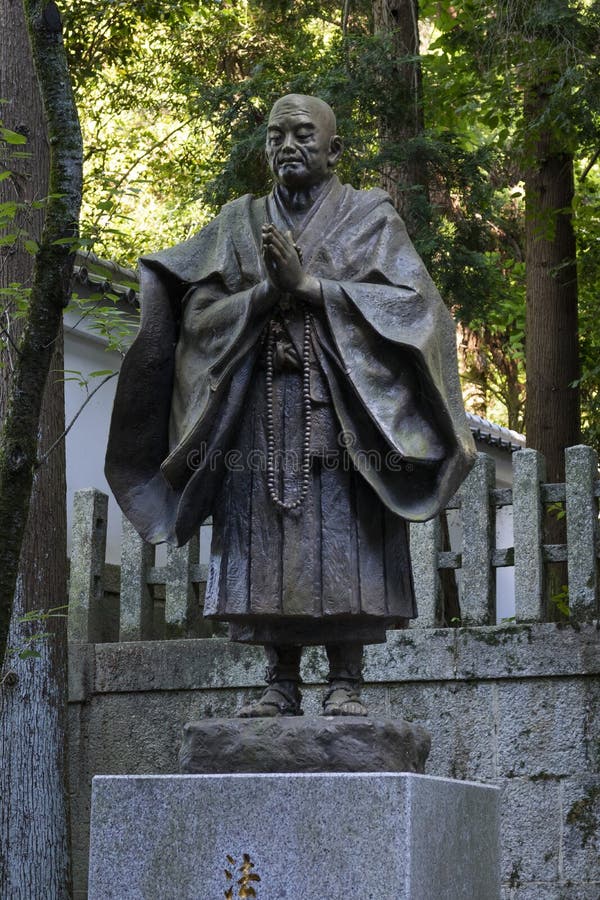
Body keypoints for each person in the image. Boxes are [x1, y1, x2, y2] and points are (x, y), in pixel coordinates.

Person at [106, 94, 475, 717]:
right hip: (256, 417)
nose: (288, 146)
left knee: (348, 541)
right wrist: (258, 300)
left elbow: (417, 312)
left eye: (304, 134)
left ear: (333, 150)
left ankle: (346, 680)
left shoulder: (370, 218)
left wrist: (310, 288)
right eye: (276, 135)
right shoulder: (237, 222)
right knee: (259, 543)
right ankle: (277, 680)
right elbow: (195, 318)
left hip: (348, 417)